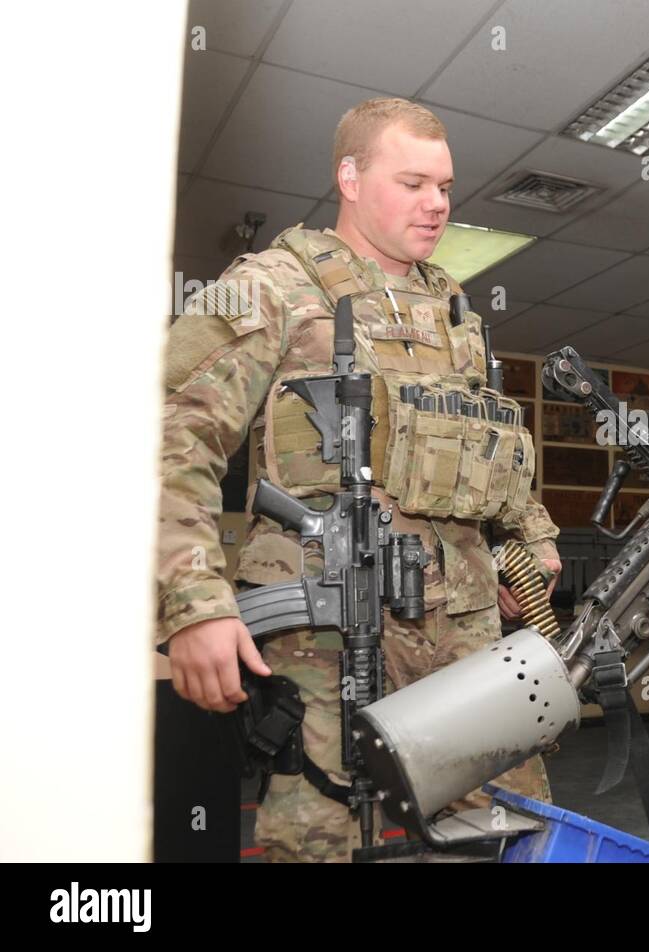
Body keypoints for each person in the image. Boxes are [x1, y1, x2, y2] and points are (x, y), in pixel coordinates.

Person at [157, 97, 561, 862]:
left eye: (445, 186)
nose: (437, 204)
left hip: (463, 629)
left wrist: (528, 542)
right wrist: (194, 604)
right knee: (319, 839)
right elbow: (173, 443)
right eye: (413, 183)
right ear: (349, 176)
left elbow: (488, 447)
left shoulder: (455, 312)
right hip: (327, 625)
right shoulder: (272, 287)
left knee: (513, 832)